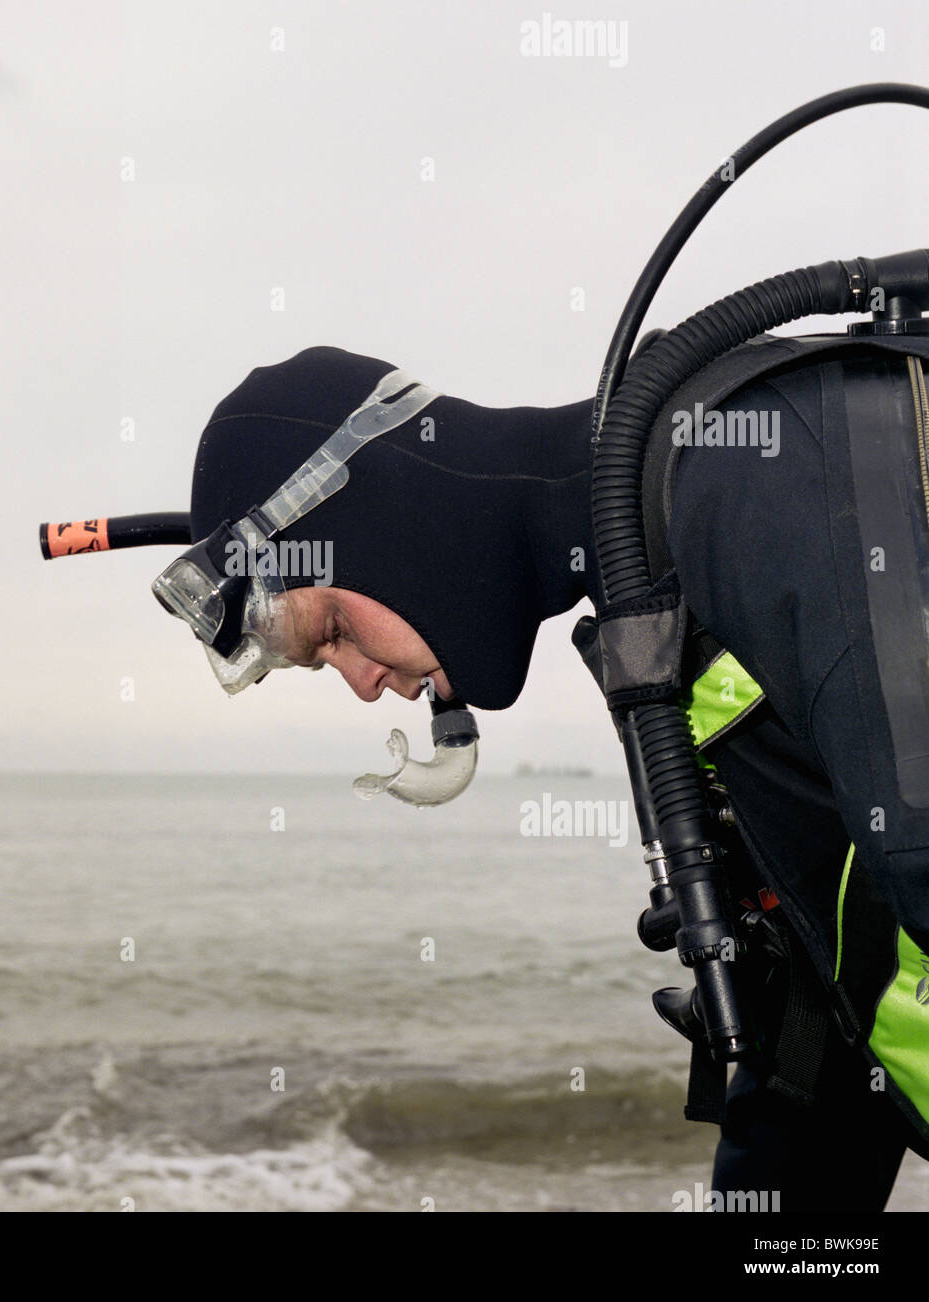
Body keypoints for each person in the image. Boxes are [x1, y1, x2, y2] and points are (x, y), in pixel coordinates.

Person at [177, 341, 924, 1210]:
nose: (363, 684)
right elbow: (821, 1017)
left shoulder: (750, 474)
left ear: (388, 522)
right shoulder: (650, 582)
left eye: (334, 632)